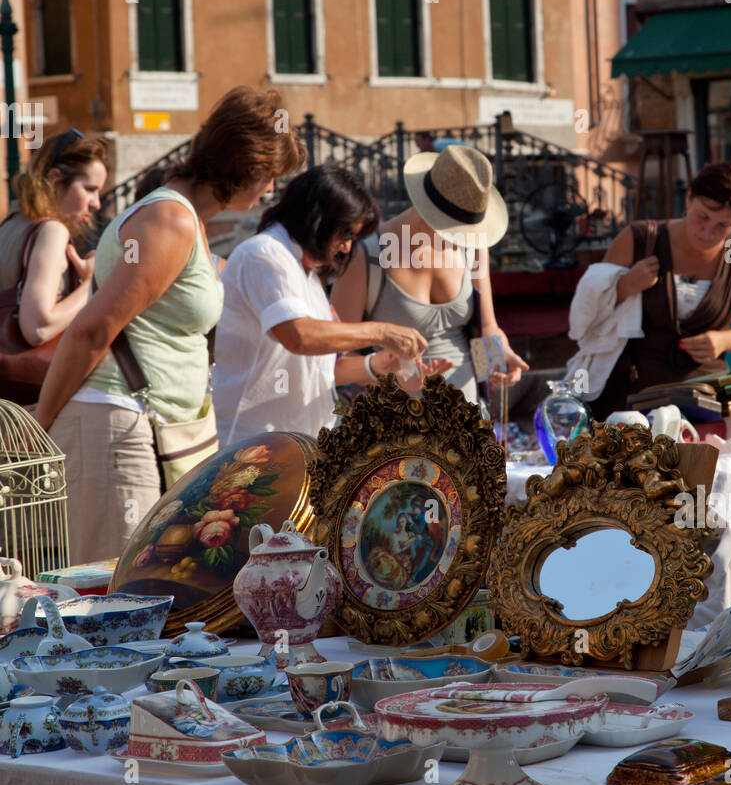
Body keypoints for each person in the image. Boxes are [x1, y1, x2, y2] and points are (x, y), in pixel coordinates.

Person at [35, 88, 301, 563]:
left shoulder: (184, 218)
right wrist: (42, 424)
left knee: (147, 605)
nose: (270, 191)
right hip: (119, 428)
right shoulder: (171, 219)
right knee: (116, 601)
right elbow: (92, 330)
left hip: (141, 430)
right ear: (245, 166)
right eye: (269, 177)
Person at [213, 163, 438, 447]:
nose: (346, 247)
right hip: (254, 444)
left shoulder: (304, 272)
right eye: (345, 234)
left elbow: (321, 370)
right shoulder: (264, 255)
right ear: (317, 220)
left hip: (299, 443)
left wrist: (381, 365)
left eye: (353, 238)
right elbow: (299, 336)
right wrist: (380, 332)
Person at [331, 144, 527, 404]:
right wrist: (395, 371)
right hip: (393, 426)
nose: (461, 236)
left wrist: (497, 359)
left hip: (465, 418)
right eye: (455, 226)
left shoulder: (473, 245)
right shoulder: (366, 255)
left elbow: (487, 326)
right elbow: (338, 360)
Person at [579, 161, 731, 419]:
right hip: (631, 400)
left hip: (706, 401)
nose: (707, 232)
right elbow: (587, 315)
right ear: (689, 199)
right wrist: (626, 286)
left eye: (722, 226)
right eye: (702, 217)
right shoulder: (641, 240)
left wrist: (723, 341)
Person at [0, 130, 107, 352]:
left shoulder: (10, 224)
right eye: (89, 189)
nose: (96, 203)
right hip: (29, 382)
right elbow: (38, 327)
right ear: (55, 180)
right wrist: (91, 285)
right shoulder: (52, 232)